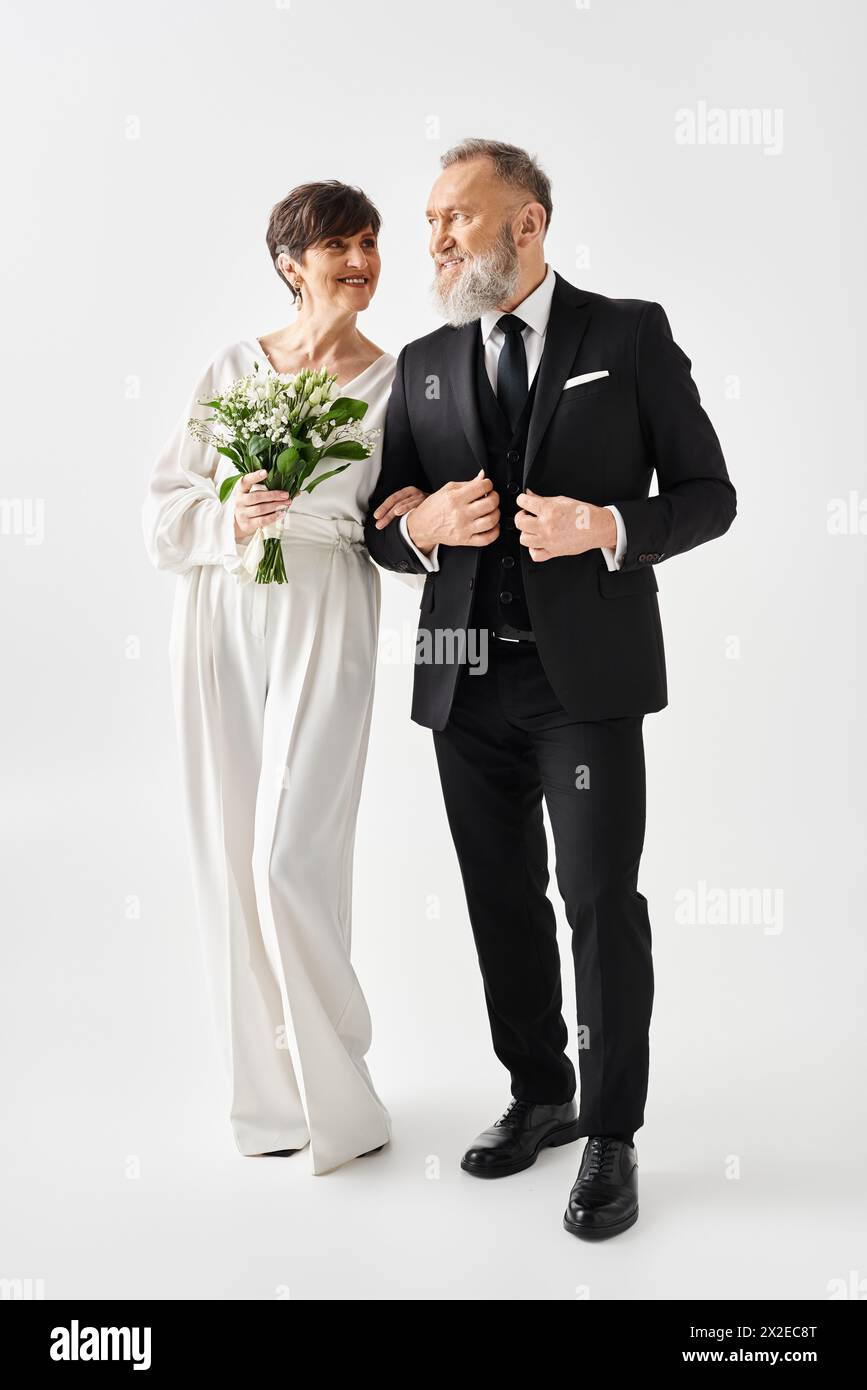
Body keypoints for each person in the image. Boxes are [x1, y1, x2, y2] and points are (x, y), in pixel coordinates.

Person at [364, 138, 736, 1237]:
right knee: (498, 899)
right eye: (429, 218)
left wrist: (610, 527)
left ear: (527, 224)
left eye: (455, 218)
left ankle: (612, 1132)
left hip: (586, 683)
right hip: (459, 681)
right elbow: (385, 523)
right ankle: (540, 1092)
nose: (432, 237)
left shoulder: (627, 333)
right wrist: (423, 528)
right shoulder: (423, 360)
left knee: (596, 898)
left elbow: (710, 494)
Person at [142, 181, 424, 1174]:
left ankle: (338, 1092)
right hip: (221, 603)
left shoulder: (399, 383)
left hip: (326, 605)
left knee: (289, 854)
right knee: (227, 850)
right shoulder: (231, 365)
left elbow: (398, 517)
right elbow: (163, 510)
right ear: (289, 262)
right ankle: (266, 1102)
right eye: (338, 245)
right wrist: (231, 512)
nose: (360, 261)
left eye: (370, 243)